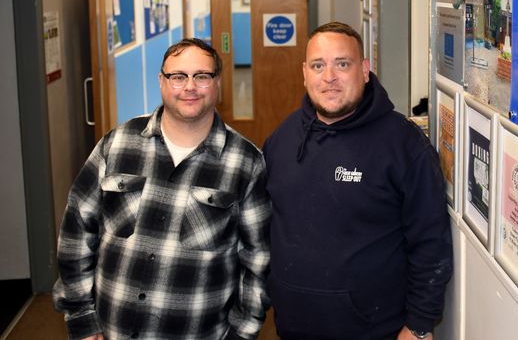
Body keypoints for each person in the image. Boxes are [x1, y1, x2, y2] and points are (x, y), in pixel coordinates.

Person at [53, 38, 272, 340]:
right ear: (162, 81)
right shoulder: (117, 144)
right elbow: (77, 230)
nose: (190, 87)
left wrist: (242, 332)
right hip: (110, 331)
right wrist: (81, 317)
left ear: (217, 83)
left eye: (202, 76)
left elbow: (258, 259)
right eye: (178, 76)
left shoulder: (245, 162)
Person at [262, 22, 453, 340]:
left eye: (343, 64)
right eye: (318, 65)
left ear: (364, 70)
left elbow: (431, 241)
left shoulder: (403, 145)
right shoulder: (282, 139)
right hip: (293, 325)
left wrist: (419, 325)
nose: (329, 77)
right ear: (304, 73)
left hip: (373, 330)